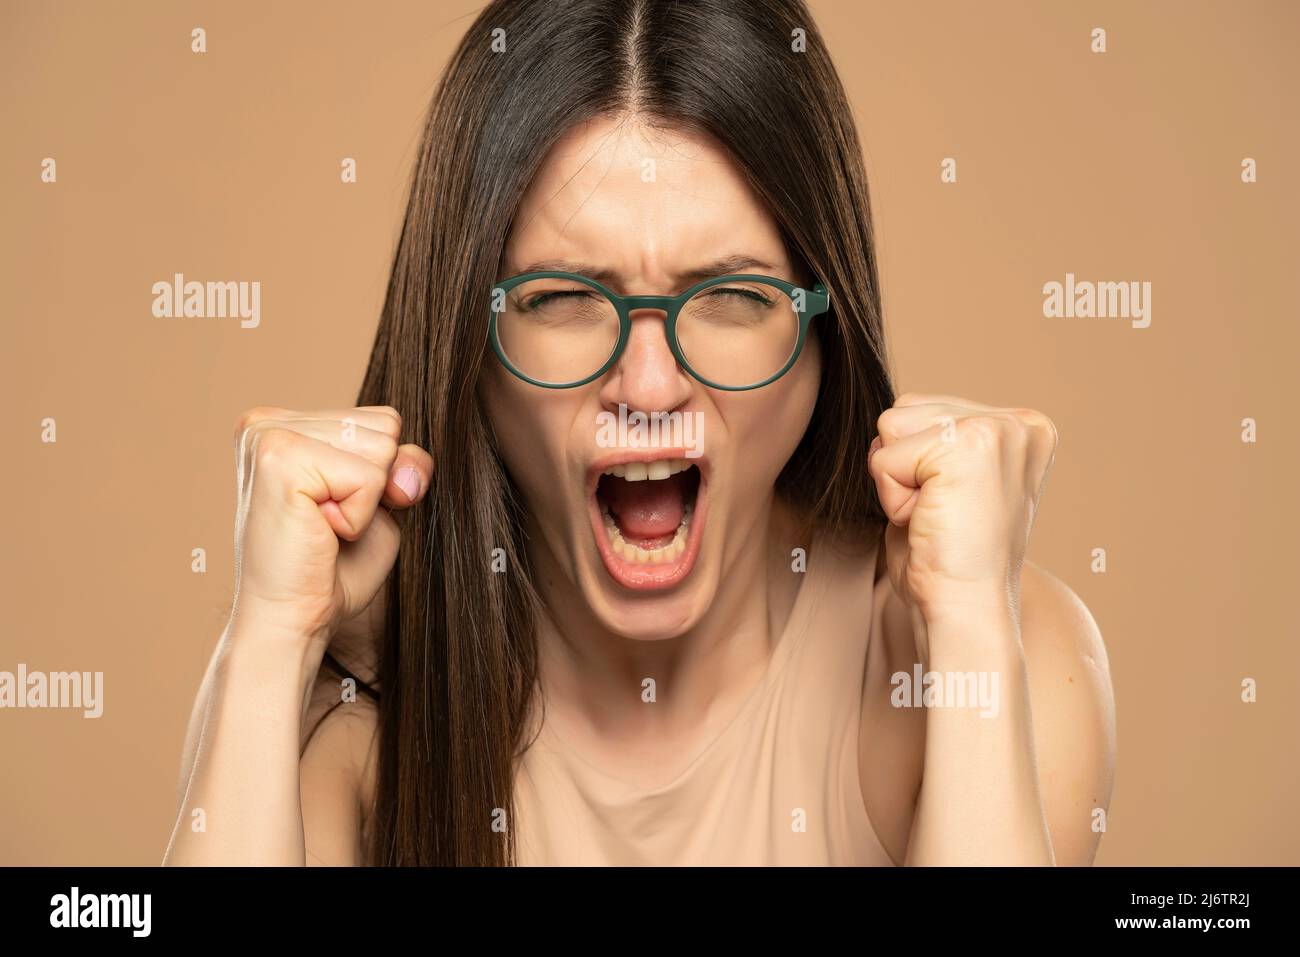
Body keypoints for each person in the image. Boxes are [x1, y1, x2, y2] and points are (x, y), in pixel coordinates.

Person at [164, 0, 1115, 867]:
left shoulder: (984, 654)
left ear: (826, 336)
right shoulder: (358, 715)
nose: (650, 383)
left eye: (734, 295)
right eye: (566, 298)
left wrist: (973, 629)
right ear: (470, 348)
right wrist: (266, 642)